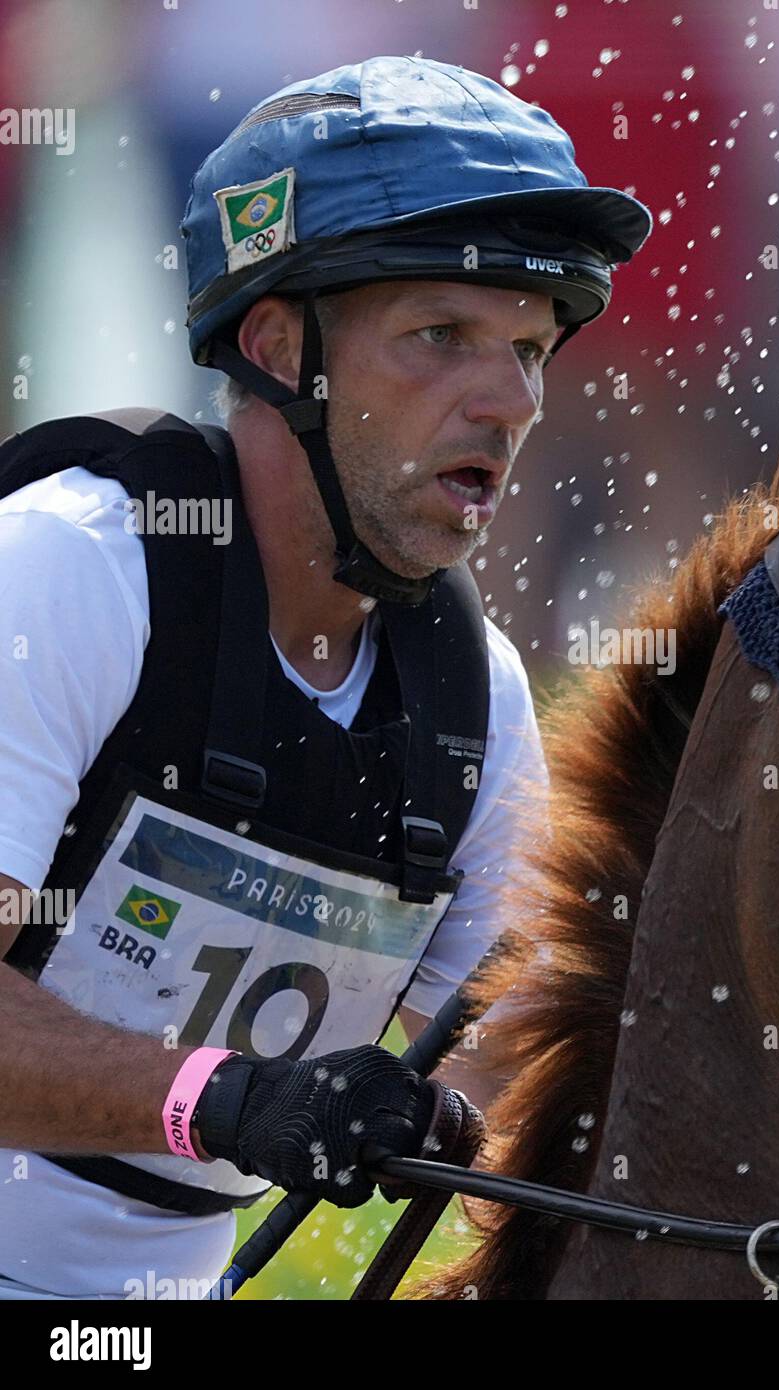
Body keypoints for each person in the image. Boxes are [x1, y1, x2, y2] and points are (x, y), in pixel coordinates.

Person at [0, 54, 651, 1299]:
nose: (507, 399)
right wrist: (233, 1100)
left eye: (528, 348)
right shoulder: (67, 570)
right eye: (441, 336)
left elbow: (528, 1069)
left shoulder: (475, 696)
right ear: (276, 345)